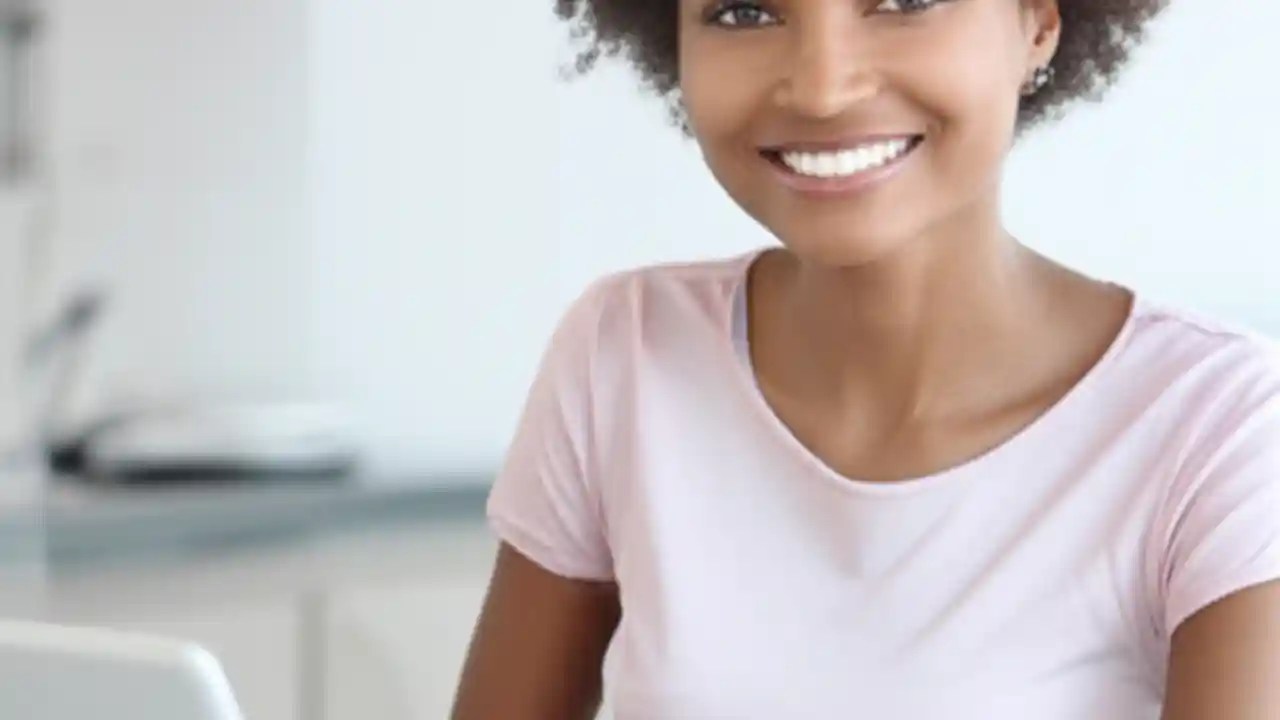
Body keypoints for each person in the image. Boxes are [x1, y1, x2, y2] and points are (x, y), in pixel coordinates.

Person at [453, 1, 1280, 717]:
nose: (821, 85)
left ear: (1039, 20)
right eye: (744, 10)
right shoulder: (624, 355)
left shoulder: (1217, 428)